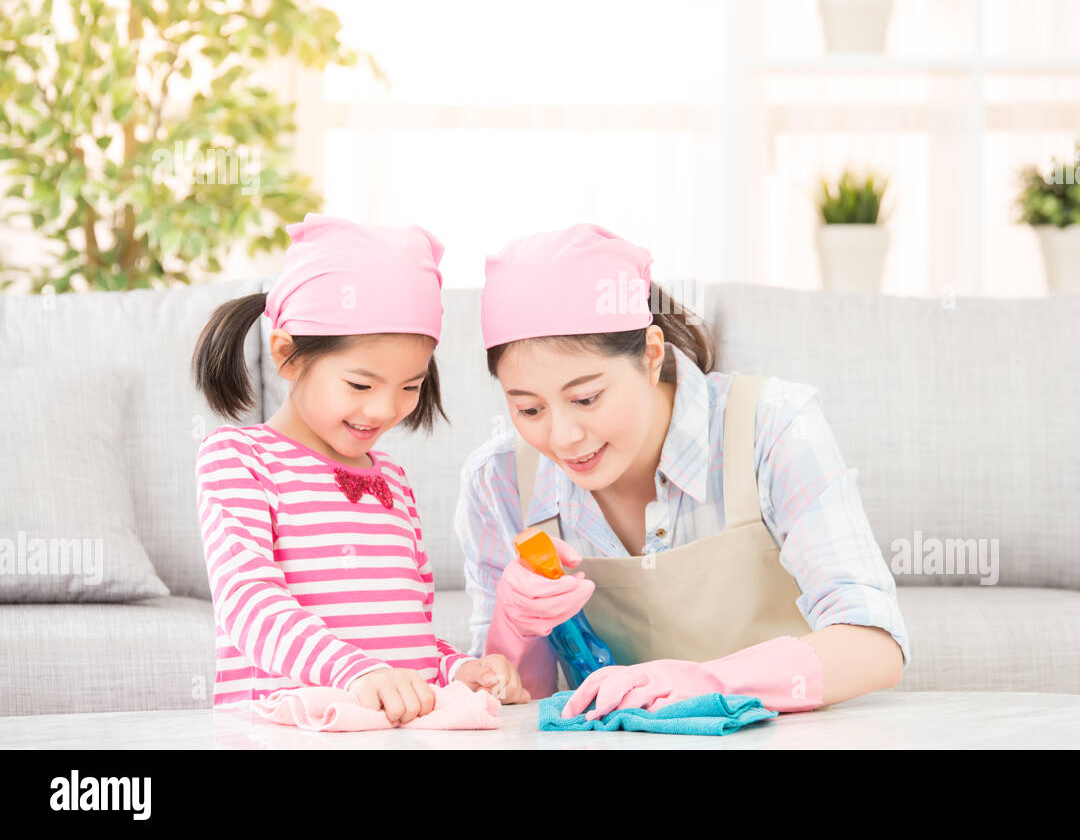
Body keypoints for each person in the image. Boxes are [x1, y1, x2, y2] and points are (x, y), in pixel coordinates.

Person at [454, 222, 909, 720]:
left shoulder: (771, 427)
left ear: (651, 355)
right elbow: (523, 704)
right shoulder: (499, 480)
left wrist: (701, 682)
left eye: (586, 398)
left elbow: (875, 644)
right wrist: (515, 625)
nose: (562, 437)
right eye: (529, 409)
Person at [192, 213, 527, 725]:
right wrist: (357, 673)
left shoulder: (392, 479)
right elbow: (250, 606)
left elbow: (405, 640)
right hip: (288, 728)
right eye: (360, 385)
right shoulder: (239, 458)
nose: (383, 410)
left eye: (410, 386)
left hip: (387, 729)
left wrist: (458, 668)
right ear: (286, 355)